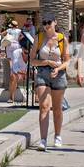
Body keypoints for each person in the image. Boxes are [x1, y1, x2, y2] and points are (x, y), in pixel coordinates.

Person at [29, 18, 68, 150]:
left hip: (59, 74)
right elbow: (32, 60)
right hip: (42, 73)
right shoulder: (39, 38)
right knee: (44, 106)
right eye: (44, 23)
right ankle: (43, 140)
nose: (46, 26)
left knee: (57, 108)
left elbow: (67, 60)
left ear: (55, 23)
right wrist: (46, 62)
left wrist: (58, 68)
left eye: (49, 23)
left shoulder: (62, 39)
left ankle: (57, 136)